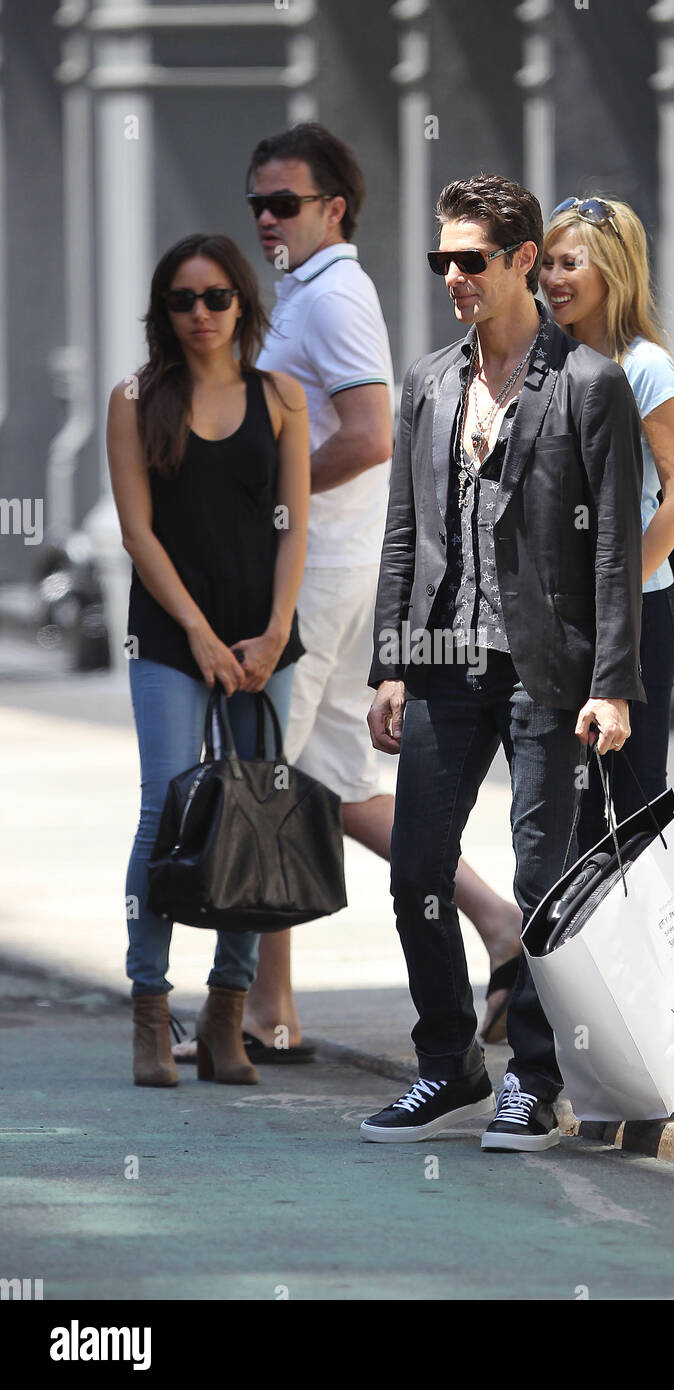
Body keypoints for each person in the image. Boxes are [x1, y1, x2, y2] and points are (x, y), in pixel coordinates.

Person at [172, 124, 526, 1067]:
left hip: (322, 570)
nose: (265, 218)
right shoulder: (305, 295)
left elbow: (371, 435)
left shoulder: (335, 298)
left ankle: (258, 1006)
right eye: (256, 202)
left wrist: (262, 499)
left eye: (284, 202)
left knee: (265, 778)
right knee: (321, 781)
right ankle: (497, 923)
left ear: (336, 207)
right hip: (328, 564)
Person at [360, 175, 645, 1152]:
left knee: (539, 879)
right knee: (414, 872)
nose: (451, 276)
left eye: (468, 259)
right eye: (440, 260)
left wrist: (611, 682)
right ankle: (446, 1063)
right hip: (441, 659)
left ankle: (534, 1078)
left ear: (522, 260)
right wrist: (390, 662)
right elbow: (403, 531)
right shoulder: (430, 381)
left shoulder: (588, 383)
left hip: (544, 667)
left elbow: (611, 545)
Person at [107, 233, 309, 1087]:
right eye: (183, 300)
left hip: (266, 643)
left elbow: (296, 524)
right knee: (165, 808)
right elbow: (136, 531)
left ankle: (227, 1017)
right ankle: (151, 1014)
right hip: (170, 637)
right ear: (165, 311)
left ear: (242, 304)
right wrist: (194, 630)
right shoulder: (135, 399)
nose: (200, 314)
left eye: (215, 297)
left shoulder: (282, 398)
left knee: (254, 818)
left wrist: (272, 631)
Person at [539, 196, 674, 852]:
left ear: (613, 269)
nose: (552, 277)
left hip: (635, 615)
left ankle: (656, 955)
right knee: (565, 822)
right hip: (559, 622)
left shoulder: (644, 367)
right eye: (545, 263)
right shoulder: (544, 364)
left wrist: (614, 597)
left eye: (570, 263)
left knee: (633, 818)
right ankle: (575, 955)